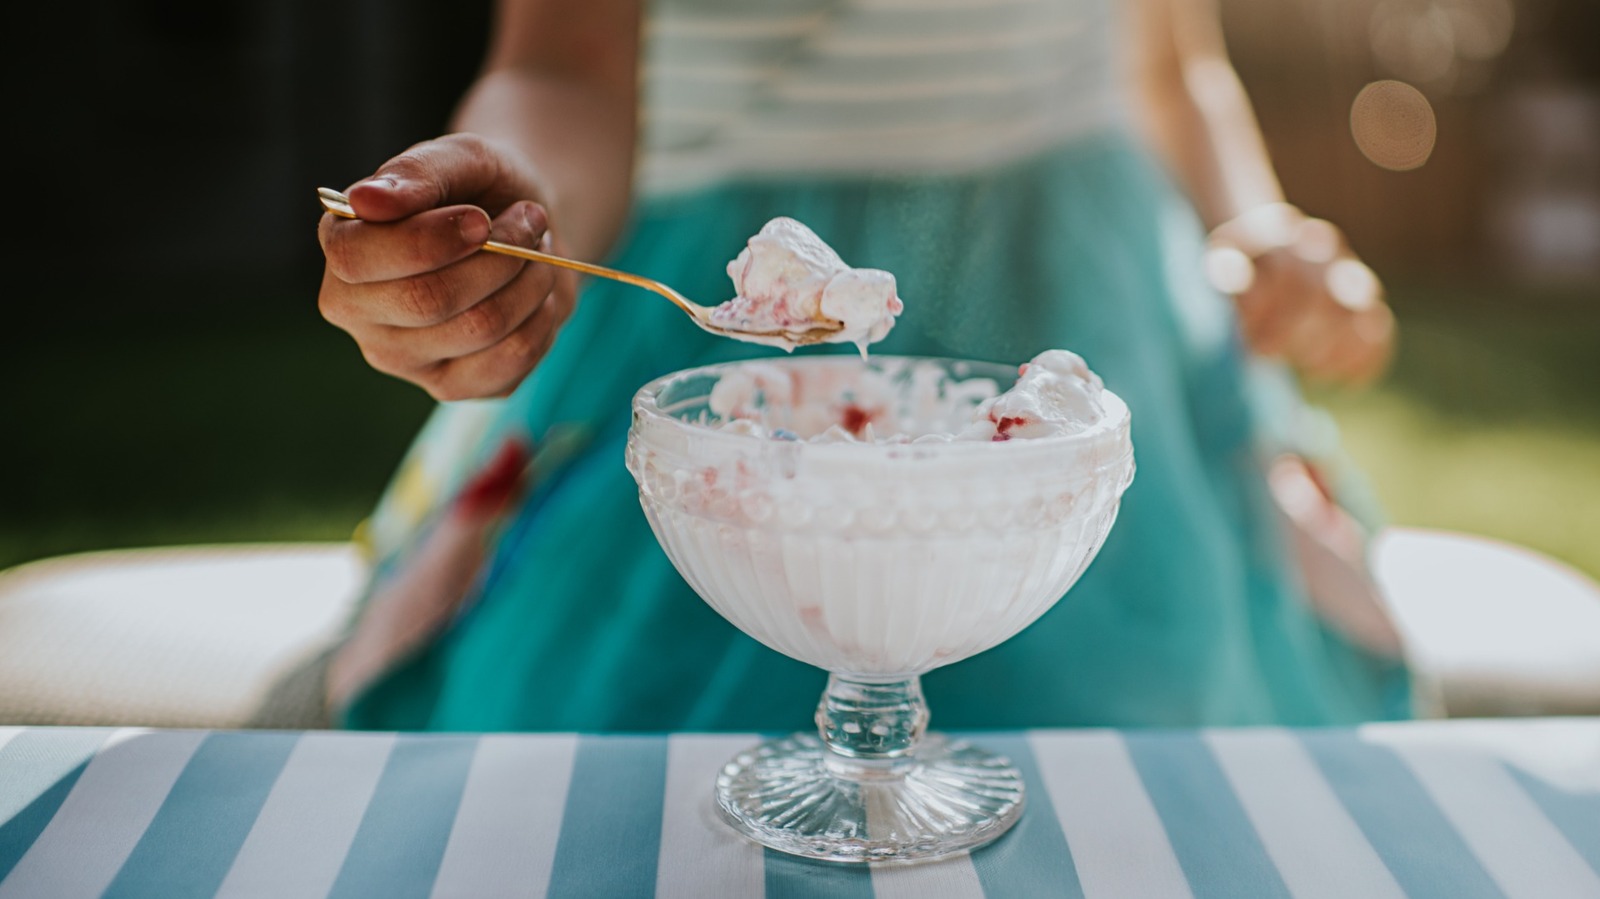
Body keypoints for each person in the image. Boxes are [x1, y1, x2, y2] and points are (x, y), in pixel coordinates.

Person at [301, 0, 1412, 732]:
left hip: (1077, 277)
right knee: (603, 714)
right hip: (692, 286)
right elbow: (562, 67)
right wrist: (516, 215)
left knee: (1145, 702)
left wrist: (1258, 228)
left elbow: (1177, 69)